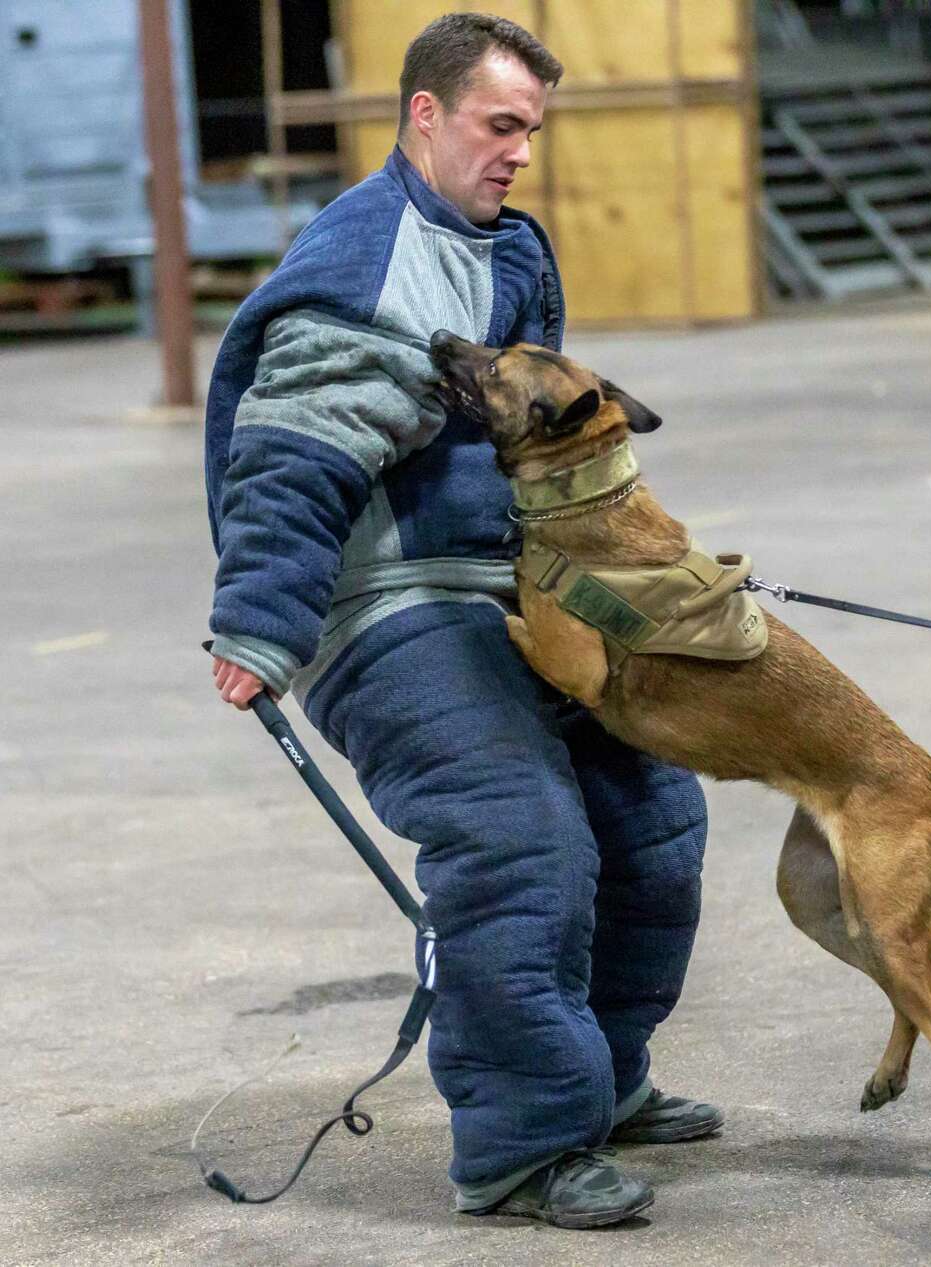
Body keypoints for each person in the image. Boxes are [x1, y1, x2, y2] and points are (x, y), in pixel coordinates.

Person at [204, 12, 718, 1228]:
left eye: (531, 131)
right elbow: (290, 462)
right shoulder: (372, 260)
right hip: (380, 603)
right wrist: (259, 628)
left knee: (655, 821)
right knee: (518, 838)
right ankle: (524, 1147)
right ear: (423, 115)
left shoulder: (506, 246)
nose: (519, 153)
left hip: (503, 585)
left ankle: (604, 1073)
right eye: (500, 126)